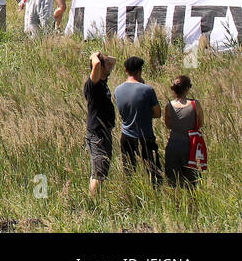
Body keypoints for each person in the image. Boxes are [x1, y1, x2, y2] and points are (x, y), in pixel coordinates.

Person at [114, 56, 162, 186]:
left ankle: (130, 193)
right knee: (153, 171)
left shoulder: (118, 90)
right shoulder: (147, 90)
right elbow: (158, 113)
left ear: (126, 70)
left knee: (129, 171)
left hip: (126, 135)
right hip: (145, 135)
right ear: (140, 70)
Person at [84, 51, 118, 197]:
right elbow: (97, 64)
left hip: (103, 132)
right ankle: (93, 202)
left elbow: (114, 60)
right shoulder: (92, 85)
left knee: (101, 170)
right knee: (99, 172)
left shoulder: (103, 82)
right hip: (98, 133)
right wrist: (94, 57)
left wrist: (102, 55)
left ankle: (96, 199)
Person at [163, 75, 204, 189]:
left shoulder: (169, 105)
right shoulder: (196, 104)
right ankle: (192, 205)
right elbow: (200, 124)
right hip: (191, 147)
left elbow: (168, 125)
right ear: (187, 88)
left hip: (173, 147)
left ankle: (176, 205)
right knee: (192, 184)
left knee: (173, 182)